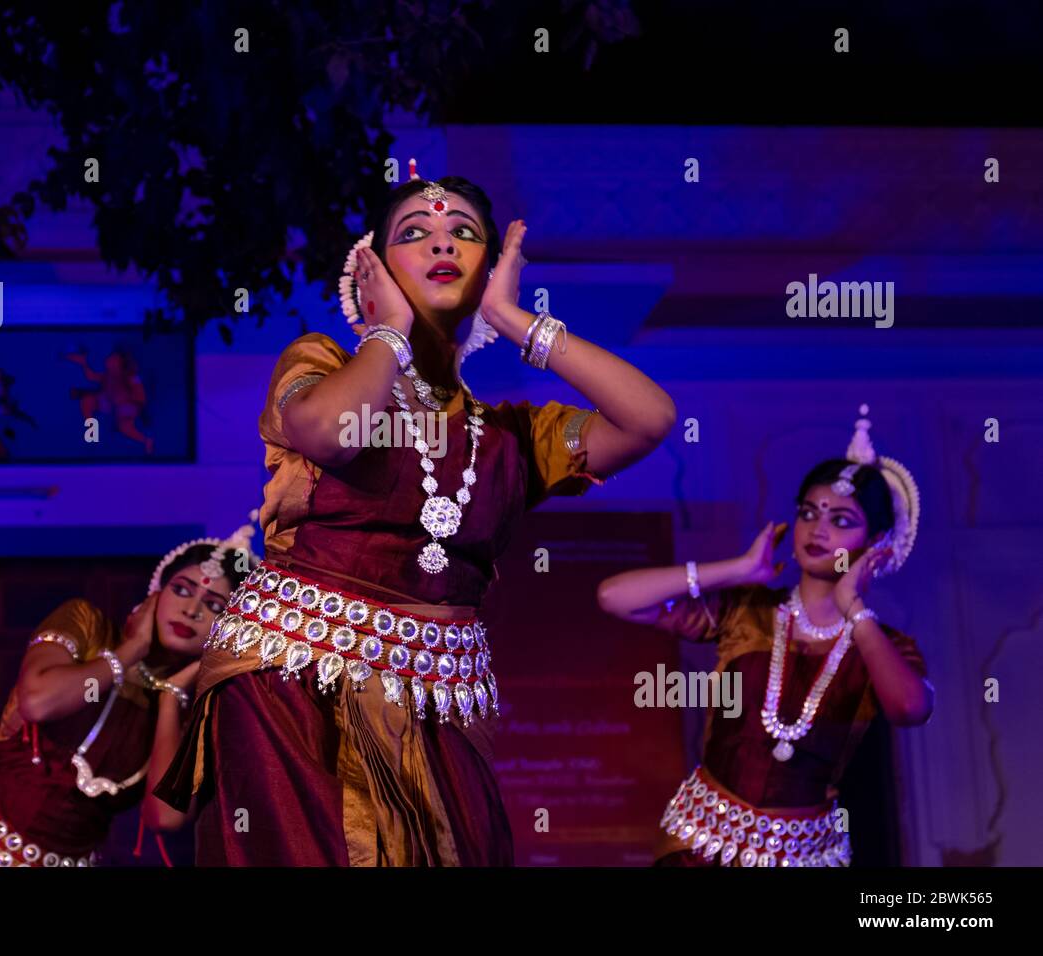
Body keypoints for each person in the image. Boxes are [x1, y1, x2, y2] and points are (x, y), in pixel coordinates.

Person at [154, 162, 677, 865]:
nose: (442, 243)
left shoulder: (514, 436)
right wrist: (390, 331)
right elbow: (329, 434)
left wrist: (513, 320)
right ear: (371, 266)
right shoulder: (319, 365)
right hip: (293, 688)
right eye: (413, 233)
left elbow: (649, 419)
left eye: (464, 232)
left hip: (437, 707)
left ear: (490, 268)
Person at [597, 405, 932, 866]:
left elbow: (911, 708)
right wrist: (737, 569)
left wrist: (854, 607)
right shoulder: (748, 612)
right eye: (809, 513)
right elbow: (615, 597)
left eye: (841, 520)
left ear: (876, 544)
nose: (818, 529)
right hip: (703, 847)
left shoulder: (882, 645)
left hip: (804, 854)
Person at [0, 518, 259, 867]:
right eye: (182, 590)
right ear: (157, 591)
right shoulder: (88, 626)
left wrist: (171, 697)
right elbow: (37, 702)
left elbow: (165, 816)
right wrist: (131, 651)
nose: (191, 610)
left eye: (214, 606)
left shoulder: (191, 710)